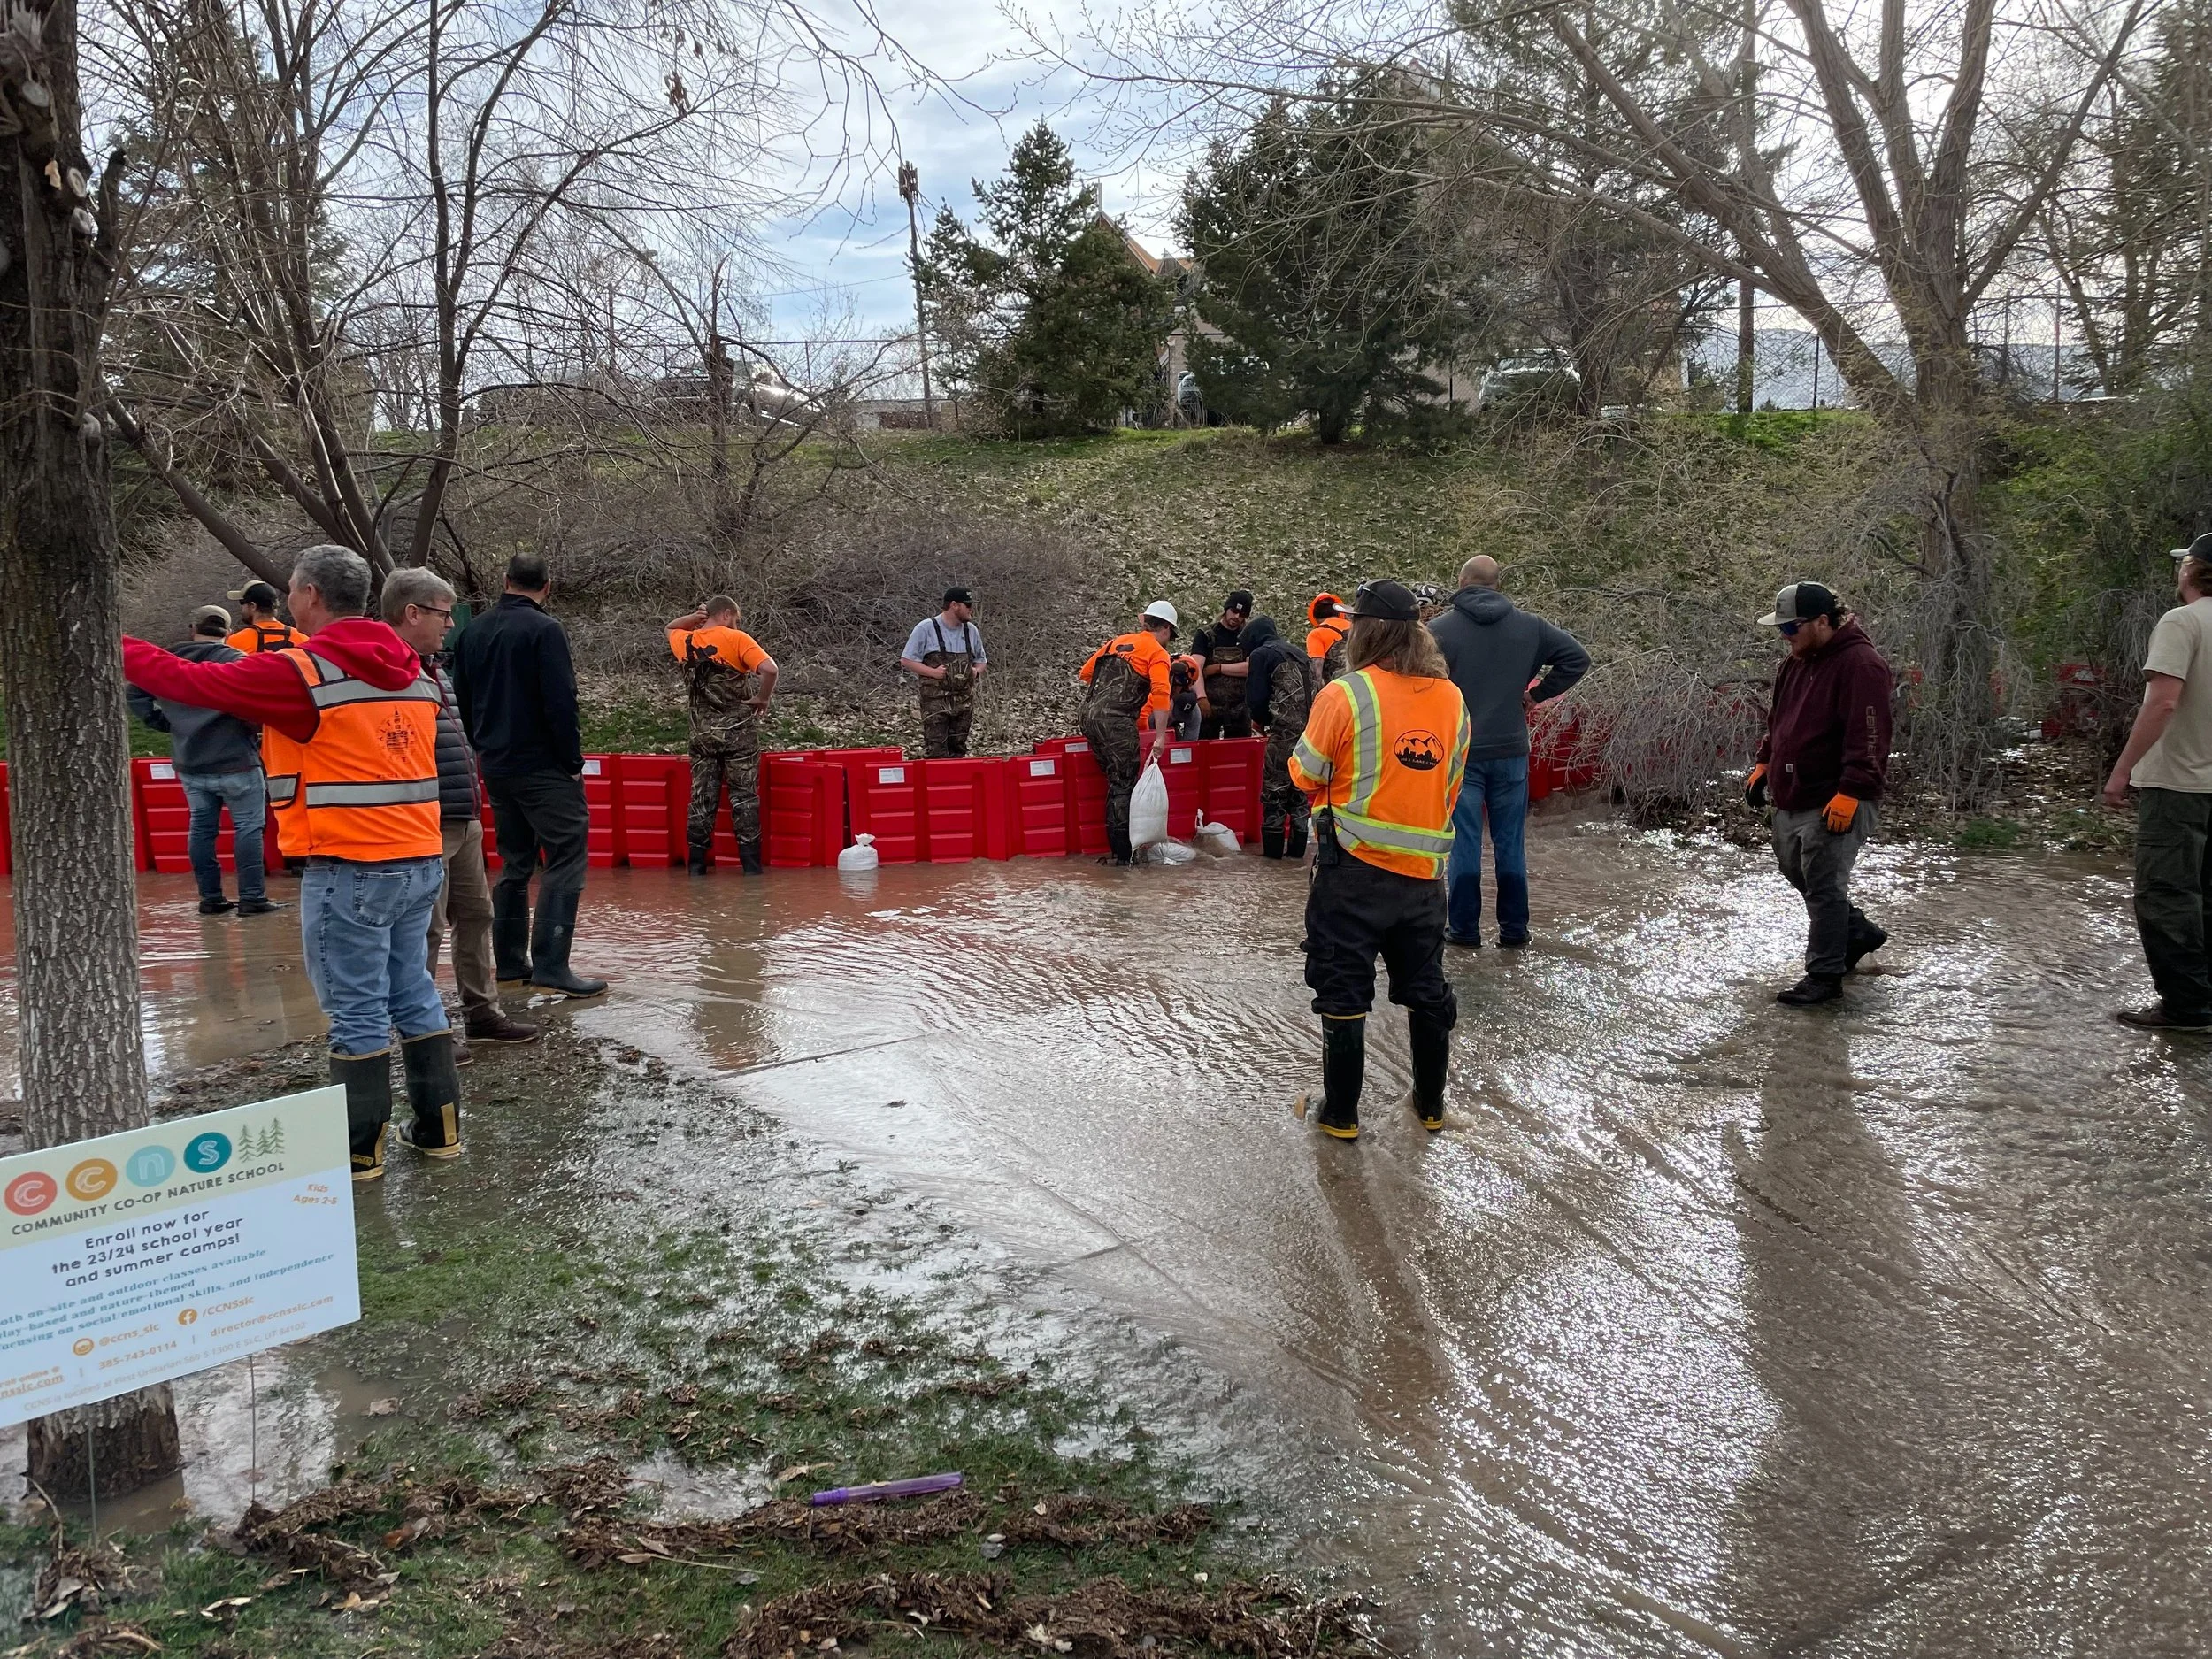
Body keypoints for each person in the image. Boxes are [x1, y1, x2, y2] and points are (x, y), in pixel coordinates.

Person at [122, 544, 462, 1180]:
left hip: (351, 866)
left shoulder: (300, 673)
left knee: (357, 1008)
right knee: (414, 989)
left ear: (306, 595)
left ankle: (360, 1152)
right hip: (420, 860)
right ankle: (439, 1131)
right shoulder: (417, 671)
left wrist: (109, 642)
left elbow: (186, 682)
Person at [1288, 580, 1470, 1140]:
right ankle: (1431, 1107)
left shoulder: (1345, 695)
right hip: (1423, 881)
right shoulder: (1452, 698)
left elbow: (1304, 774)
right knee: (1426, 990)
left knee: (1344, 988)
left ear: (1362, 631)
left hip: (1353, 873)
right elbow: (1452, 783)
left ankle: (1341, 1114)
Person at [382, 568, 541, 1059]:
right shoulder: (389, 671)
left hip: (461, 816)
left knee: (476, 915)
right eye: (442, 614)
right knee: (423, 930)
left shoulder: (434, 668)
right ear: (413, 614)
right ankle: (425, 1030)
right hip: (422, 821)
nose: (449, 624)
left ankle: (481, 1012)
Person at [450, 553, 607, 998]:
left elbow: (461, 697)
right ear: (547, 586)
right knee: (565, 857)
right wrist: (571, 761)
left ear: (505, 580)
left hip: (495, 764)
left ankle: (510, 963)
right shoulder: (545, 630)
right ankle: (552, 965)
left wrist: (481, 747)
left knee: (515, 862)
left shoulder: (473, 631)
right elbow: (561, 702)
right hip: (543, 765)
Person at [1427, 555, 1590, 949]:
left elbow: (1419, 682)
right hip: (1512, 751)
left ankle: (1464, 930)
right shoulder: (1530, 627)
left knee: (1464, 840)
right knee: (1510, 842)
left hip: (1461, 751)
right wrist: (1536, 695)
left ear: (1461, 583)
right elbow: (1577, 659)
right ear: (1497, 586)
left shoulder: (1437, 631)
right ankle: (1514, 931)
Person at [1746, 580, 1894, 1007]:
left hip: (1839, 796)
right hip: (1795, 792)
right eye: (1781, 629)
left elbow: (1870, 737)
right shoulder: (1795, 663)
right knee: (1800, 874)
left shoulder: (1861, 665)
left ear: (1824, 622)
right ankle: (1857, 933)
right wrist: (1764, 762)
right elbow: (1780, 720)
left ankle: (1825, 977)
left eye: (1791, 628)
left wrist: (1853, 790)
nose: (1784, 636)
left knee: (1826, 889)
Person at [2103, 534, 2212, 1030]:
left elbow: (2163, 702)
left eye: (2182, 565)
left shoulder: (2183, 621)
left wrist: (2123, 769)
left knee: (2166, 894)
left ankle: (2188, 1006)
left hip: (2179, 785)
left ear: (2192, 571)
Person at [127, 605, 283, 918]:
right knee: (248, 829)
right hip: (236, 760)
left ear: (191, 627)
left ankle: (210, 899)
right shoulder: (236, 660)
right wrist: (250, 726)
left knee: (201, 830)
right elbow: (259, 700)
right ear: (227, 632)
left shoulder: (167, 661)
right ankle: (252, 899)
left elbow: (134, 693)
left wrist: (166, 723)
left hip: (191, 763)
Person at [668, 596, 779, 874]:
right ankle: (751, 872)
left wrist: (694, 620)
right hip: (738, 734)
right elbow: (770, 669)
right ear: (727, 614)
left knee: (702, 798)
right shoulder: (737, 639)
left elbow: (669, 628)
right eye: (735, 618)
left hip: (701, 734)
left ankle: (696, 869)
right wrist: (762, 698)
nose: (736, 623)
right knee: (744, 798)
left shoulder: (685, 641)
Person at [1077, 601, 1179, 866]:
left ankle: (1117, 852)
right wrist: (1160, 737)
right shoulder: (1157, 653)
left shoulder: (1116, 643)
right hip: (1116, 723)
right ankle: (1124, 858)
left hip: (1088, 717)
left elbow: (1086, 673)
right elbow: (1160, 692)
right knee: (1122, 787)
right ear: (1166, 628)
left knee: (1115, 783)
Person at [1241, 613, 1312, 859]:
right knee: (1299, 795)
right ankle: (1296, 859)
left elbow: (1257, 697)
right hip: (1310, 736)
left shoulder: (1262, 655)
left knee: (1274, 795)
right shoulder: (1298, 653)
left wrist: (1259, 721)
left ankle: (1272, 863)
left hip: (1283, 733)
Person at [900, 588, 986, 758]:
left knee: (958, 749)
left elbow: (981, 660)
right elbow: (907, 660)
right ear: (954, 605)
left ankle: (958, 783)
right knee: (936, 751)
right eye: (967, 605)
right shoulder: (925, 628)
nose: (971, 610)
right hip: (935, 702)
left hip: (964, 702)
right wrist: (932, 672)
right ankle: (937, 782)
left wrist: (976, 671)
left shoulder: (971, 631)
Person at [1191, 591, 1255, 739]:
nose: (1237, 617)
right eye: (1234, 611)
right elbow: (1195, 668)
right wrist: (1201, 697)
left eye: (1243, 614)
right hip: (1210, 705)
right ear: (1226, 609)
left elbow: (1250, 668)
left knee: (1238, 755)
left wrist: (1219, 668)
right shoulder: (1206, 634)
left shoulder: (1249, 636)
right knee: (1205, 752)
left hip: (1240, 707)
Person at [225, 580, 308, 654]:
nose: (242, 609)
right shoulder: (303, 640)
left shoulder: (233, 644)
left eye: (243, 604)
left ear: (253, 606)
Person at [1305, 594, 1350, 689]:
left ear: (1315, 616)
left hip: (1339, 689)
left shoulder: (1316, 634)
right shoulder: (1356, 627)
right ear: (1339, 613)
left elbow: (1316, 668)